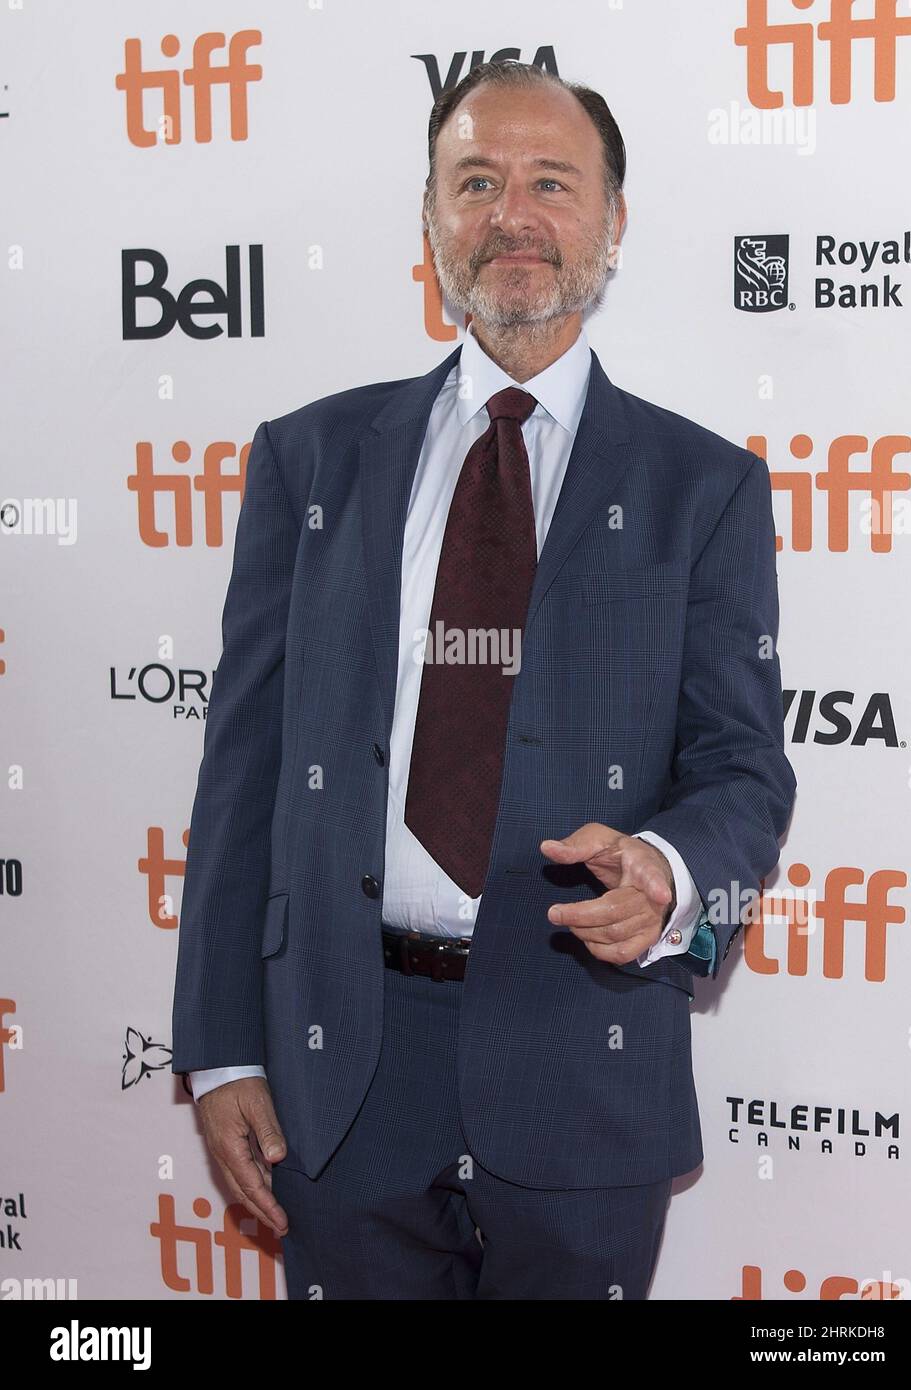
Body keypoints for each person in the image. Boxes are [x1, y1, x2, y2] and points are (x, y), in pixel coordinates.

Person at [171, 60, 796, 1300]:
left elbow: (742, 767)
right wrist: (219, 1044)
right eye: (475, 182)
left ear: (612, 221)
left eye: (550, 182)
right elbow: (240, 769)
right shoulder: (308, 462)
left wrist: (669, 876)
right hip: (338, 1060)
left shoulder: (703, 488)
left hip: (582, 1049)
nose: (511, 214)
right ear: (430, 221)